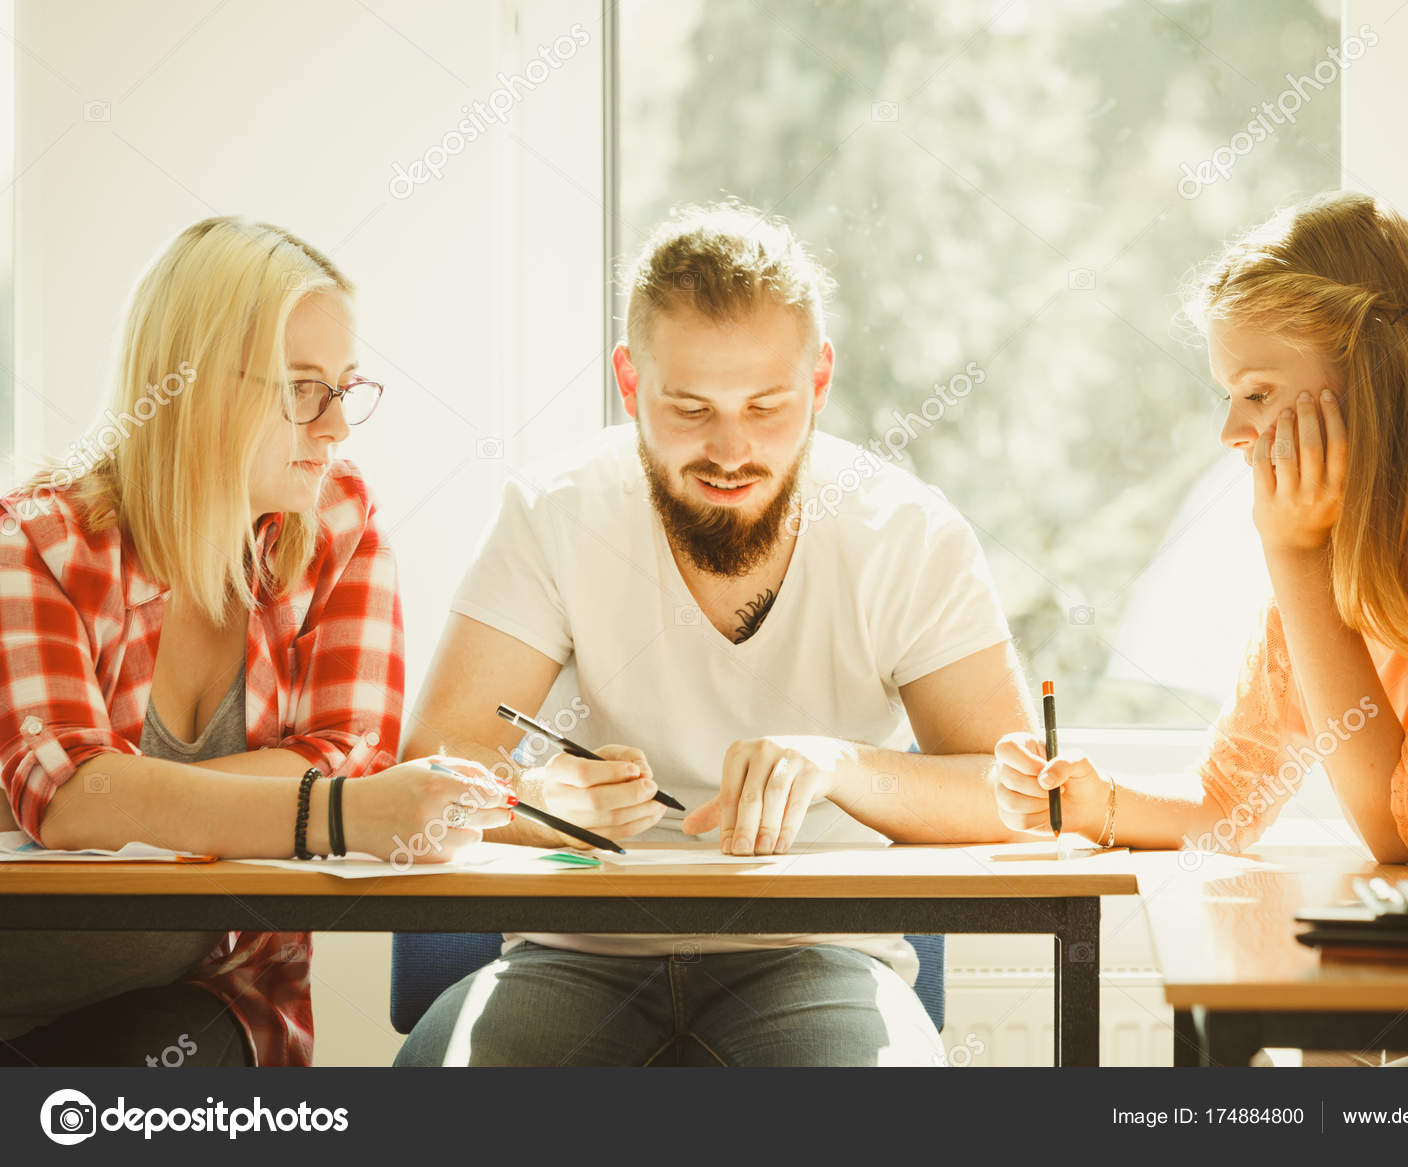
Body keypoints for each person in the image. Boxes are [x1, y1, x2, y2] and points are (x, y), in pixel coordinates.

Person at [395, 202, 1030, 1067]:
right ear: (628, 382)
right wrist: (546, 805)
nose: (731, 449)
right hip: (575, 947)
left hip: (821, 952)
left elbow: (1015, 794)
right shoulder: (556, 513)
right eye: (689, 408)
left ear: (819, 381)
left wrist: (841, 766)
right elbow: (435, 758)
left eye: (767, 406)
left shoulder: (905, 533)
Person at [0, 217, 512, 1067]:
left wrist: (134, 793)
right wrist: (332, 815)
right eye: (303, 388)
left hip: (216, 993)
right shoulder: (37, 538)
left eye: (346, 388)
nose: (337, 427)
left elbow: (349, 750)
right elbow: (64, 792)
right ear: (189, 385)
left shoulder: (339, 523)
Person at [993, 191, 1408, 874]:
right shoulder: (1339, 537)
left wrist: (1295, 554)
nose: (1230, 432)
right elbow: (1226, 798)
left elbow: (1407, 826)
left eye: (1257, 392)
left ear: (1375, 375)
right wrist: (1092, 801)